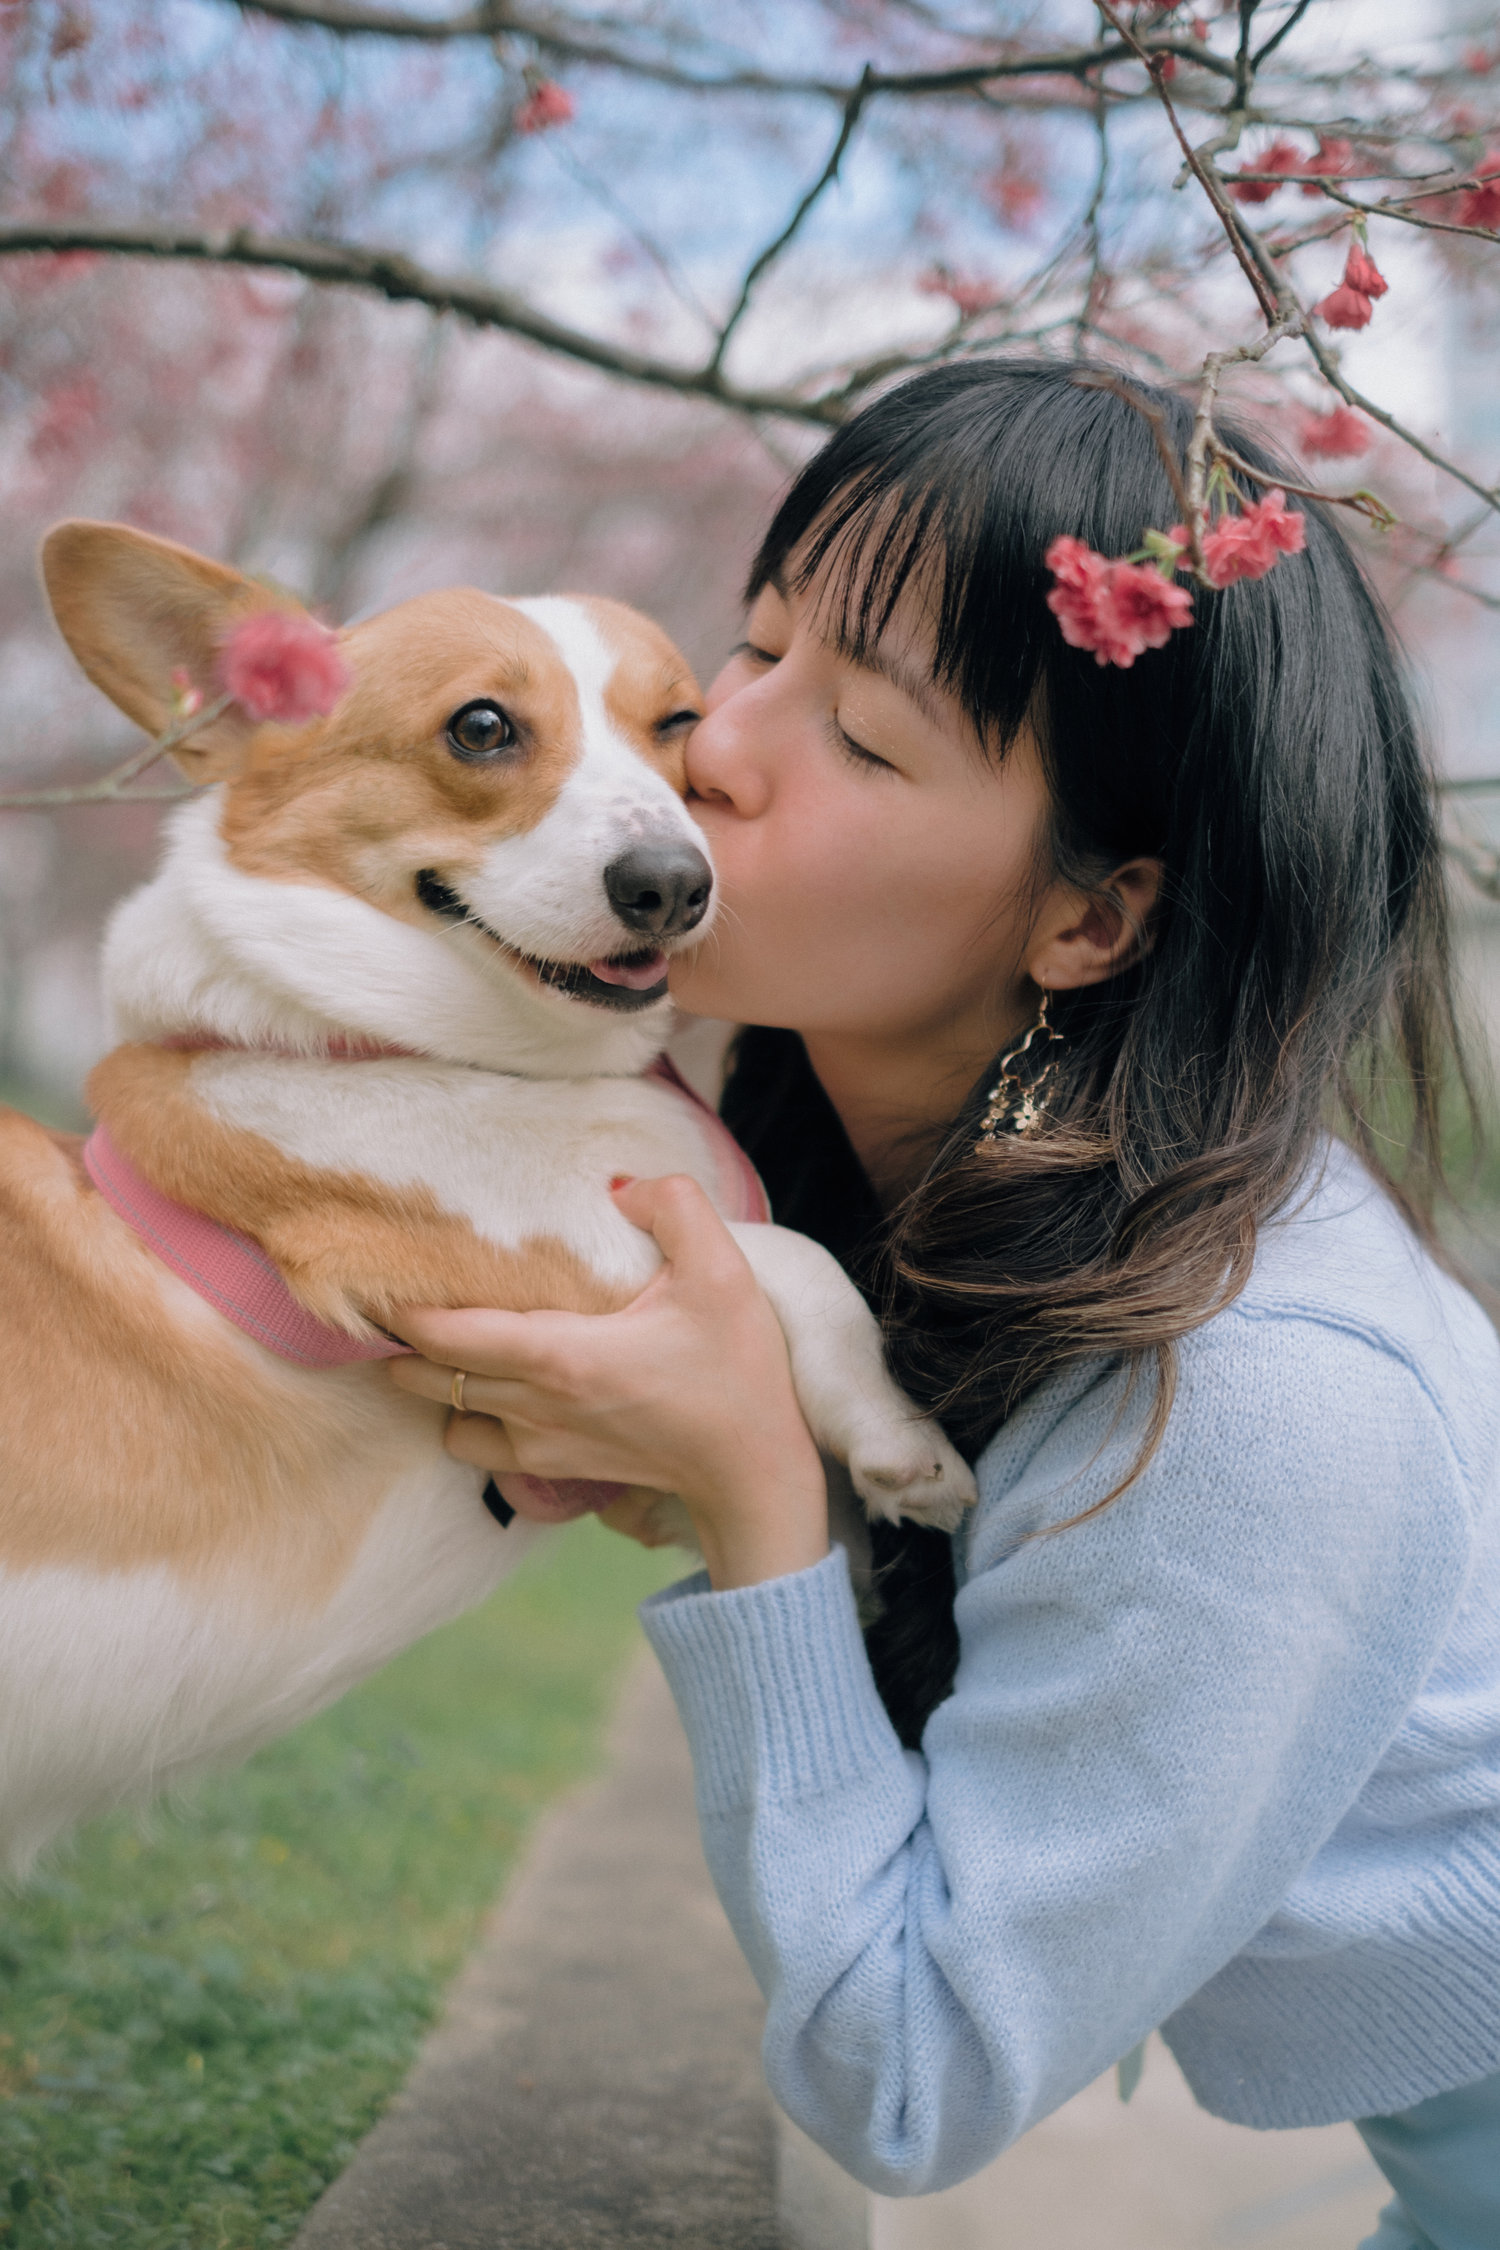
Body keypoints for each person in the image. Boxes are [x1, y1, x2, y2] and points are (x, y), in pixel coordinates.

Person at [389, 362, 1500, 2250]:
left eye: (863, 736)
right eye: (747, 652)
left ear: (1090, 919)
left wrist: (762, 1500)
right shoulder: (924, 1197)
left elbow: (907, 2068)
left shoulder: (1251, 1391)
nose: (711, 744)